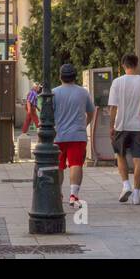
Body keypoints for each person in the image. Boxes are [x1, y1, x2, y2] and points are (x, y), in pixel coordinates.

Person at [109, 53, 140, 205]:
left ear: (123, 65)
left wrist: (111, 126)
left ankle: (125, 185)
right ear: (137, 65)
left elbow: (113, 108)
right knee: (139, 158)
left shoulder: (117, 83)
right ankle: (136, 194)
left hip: (121, 125)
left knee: (120, 154)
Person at [51, 63, 95, 209]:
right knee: (76, 164)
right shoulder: (83, 93)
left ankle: (57, 193)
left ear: (60, 77)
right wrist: (84, 124)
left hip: (58, 135)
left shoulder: (54, 93)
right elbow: (91, 112)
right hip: (78, 135)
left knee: (59, 166)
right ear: (74, 77)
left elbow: (49, 115)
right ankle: (73, 195)